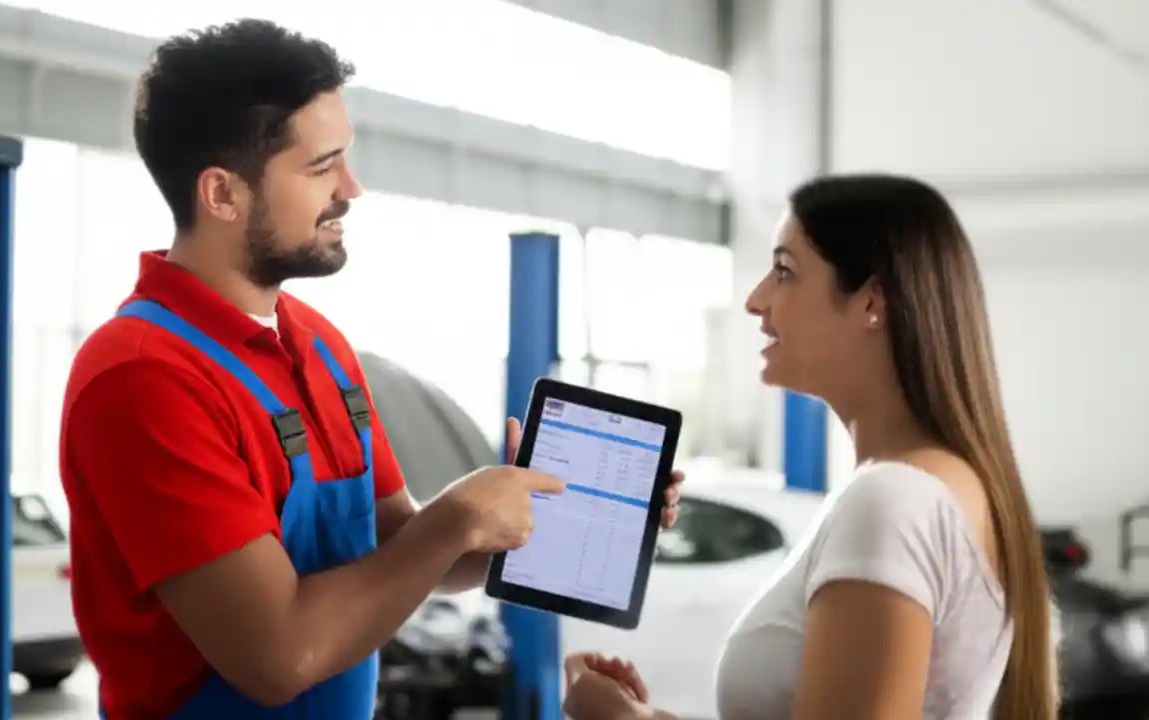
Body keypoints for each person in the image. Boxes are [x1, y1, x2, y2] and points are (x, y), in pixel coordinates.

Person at [57, 19, 684, 720]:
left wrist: (555, 519)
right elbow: (277, 656)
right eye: (322, 166)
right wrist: (456, 518)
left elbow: (403, 554)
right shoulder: (143, 378)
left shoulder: (318, 345)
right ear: (222, 194)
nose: (351, 187)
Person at [563, 174, 1058, 720]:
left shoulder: (893, 499)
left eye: (784, 272)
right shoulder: (946, 487)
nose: (755, 301)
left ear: (872, 300)